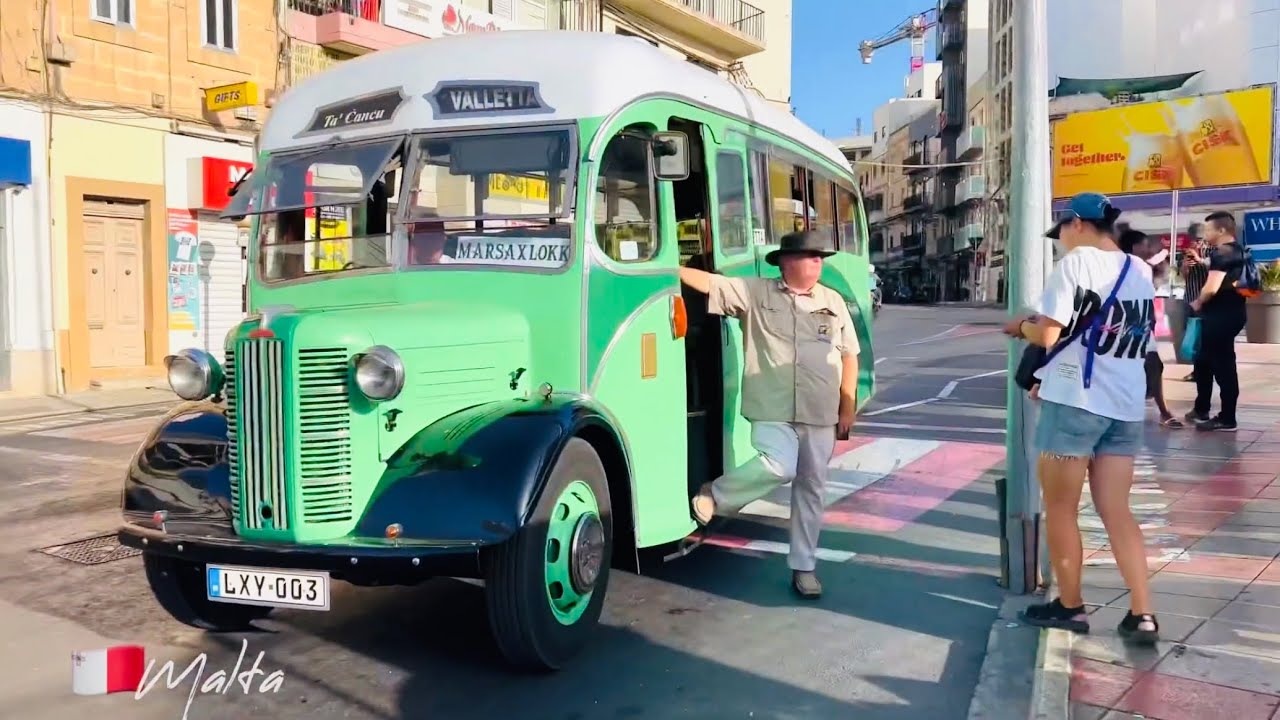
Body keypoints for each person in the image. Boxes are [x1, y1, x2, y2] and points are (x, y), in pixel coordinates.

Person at [1004, 192, 1159, 645]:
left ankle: (1070, 605)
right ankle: (1142, 614)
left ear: (1075, 224)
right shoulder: (1141, 271)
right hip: (1125, 406)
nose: (1060, 244)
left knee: (1061, 508)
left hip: (1075, 402)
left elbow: (1049, 333)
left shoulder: (1076, 264)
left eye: (1061, 234)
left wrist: (1021, 326)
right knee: (1117, 512)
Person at [680, 230, 859, 599]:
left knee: (812, 490)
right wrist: (665, 268)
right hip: (772, 405)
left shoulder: (833, 301)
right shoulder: (756, 292)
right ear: (787, 262)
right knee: (780, 465)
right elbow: (711, 283)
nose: (818, 262)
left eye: (819, 257)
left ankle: (805, 568)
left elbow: (848, 355)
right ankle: (717, 494)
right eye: (810, 256)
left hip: (820, 410)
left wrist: (848, 407)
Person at [1187, 211, 1249, 432]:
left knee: (1223, 366)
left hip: (1221, 316)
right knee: (1203, 361)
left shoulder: (1222, 253)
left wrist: (1197, 302)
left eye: (1208, 229)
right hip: (1232, 313)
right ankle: (1201, 408)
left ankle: (1227, 418)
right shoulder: (1239, 251)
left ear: (1221, 230)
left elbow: (1211, 287)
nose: (1205, 234)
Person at [1117, 230, 1183, 429]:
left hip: (1140, 324)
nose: (1147, 249)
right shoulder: (1120, 265)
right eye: (1145, 245)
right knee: (1137, 366)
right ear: (1134, 246)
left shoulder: (1143, 267)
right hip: (1121, 324)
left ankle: (1163, 411)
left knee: (1153, 363)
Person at [1178, 237, 1209, 382]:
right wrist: (1185, 266)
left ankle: (1202, 371)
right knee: (1192, 337)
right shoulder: (1186, 254)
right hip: (1189, 299)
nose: (1194, 244)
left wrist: (1199, 260)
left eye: (1197, 241)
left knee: (1203, 339)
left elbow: (1215, 274)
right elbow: (1184, 277)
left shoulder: (1210, 252)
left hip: (1204, 301)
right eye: (1192, 241)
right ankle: (1197, 370)